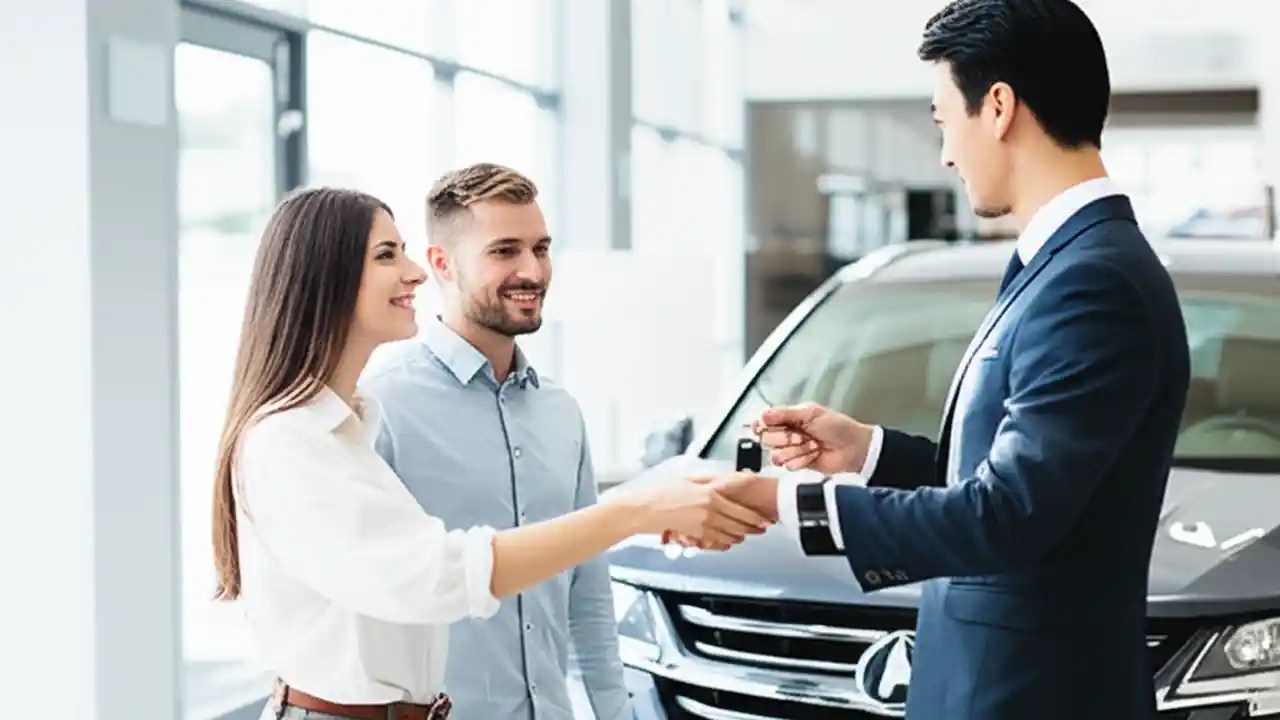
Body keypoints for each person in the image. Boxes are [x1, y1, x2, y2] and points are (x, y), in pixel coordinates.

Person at [703, 1, 1191, 719]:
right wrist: (868, 452)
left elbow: (1008, 516)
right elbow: (1025, 484)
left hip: (1033, 696)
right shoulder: (1063, 264)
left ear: (998, 107)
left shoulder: (1094, 279)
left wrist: (788, 504)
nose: (946, 154)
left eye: (942, 121)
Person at [209, 187, 771, 720]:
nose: (413, 273)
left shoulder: (351, 427)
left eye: (541, 248)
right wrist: (636, 511)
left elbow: (584, 598)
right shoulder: (291, 440)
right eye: (387, 255)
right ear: (324, 279)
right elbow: (436, 576)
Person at [359, 163, 629, 720]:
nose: (532, 270)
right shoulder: (380, 408)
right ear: (441, 264)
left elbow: (589, 598)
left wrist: (614, 712)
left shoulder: (562, 414)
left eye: (541, 248)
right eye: (504, 251)